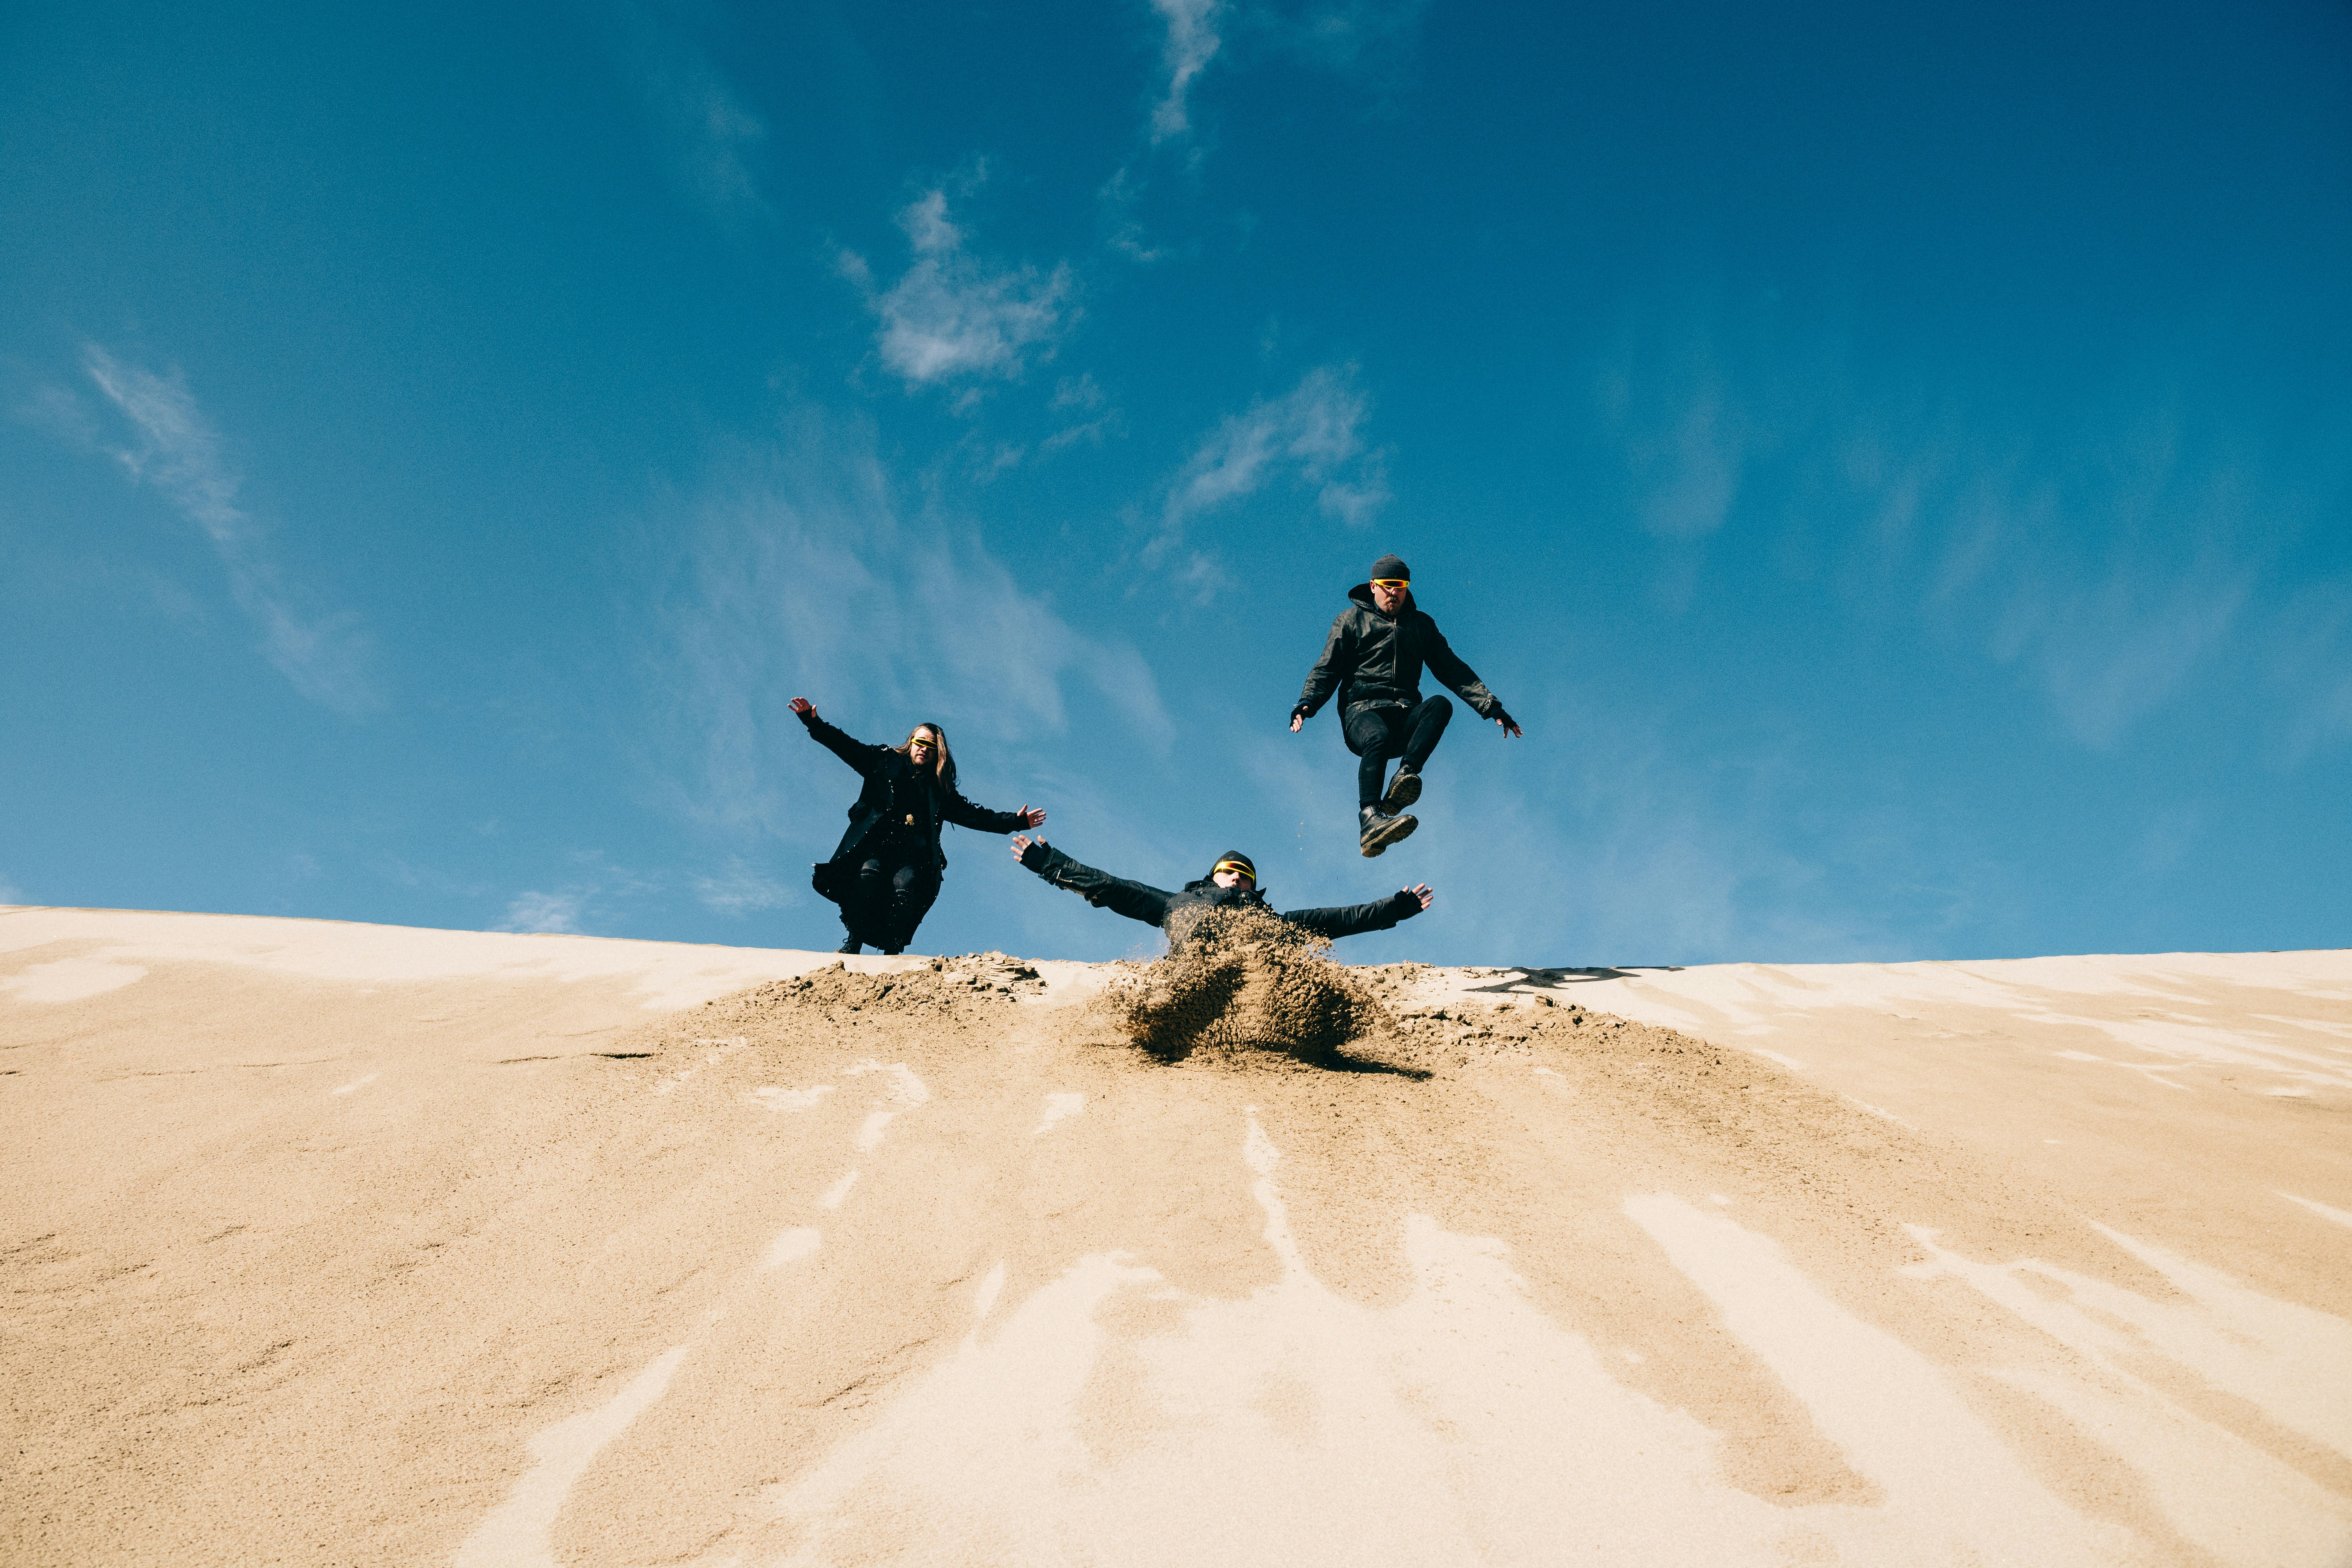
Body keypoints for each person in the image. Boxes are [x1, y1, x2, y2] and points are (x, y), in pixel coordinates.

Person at [1290, 552, 1521, 856]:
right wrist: (1308, 702)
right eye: (1388, 586)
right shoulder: (1351, 621)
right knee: (1378, 736)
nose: (1394, 594)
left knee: (1440, 705)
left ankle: (1404, 778)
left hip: (1404, 714)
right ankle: (1370, 818)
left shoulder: (1421, 625)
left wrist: (1490, 706)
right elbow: (1328, 667)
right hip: (1363, 712)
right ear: (1373, 586)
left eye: (1401, 587)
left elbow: (1452, 668)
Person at [791, 697, 1045, 955]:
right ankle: (853, 941)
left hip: (912, 855)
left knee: (905, 889)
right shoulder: (884, 762)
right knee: (869, 874)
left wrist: (1016, 821)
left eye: (930, 746)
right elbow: (846, 747)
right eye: (920, 742)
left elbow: (975, 816)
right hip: (875, 846)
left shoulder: (940, 789)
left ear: (937, 752)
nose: (923, 749)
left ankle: (892, 951)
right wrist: (813, 722)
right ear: (911, 742)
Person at [1006, 836, 1433, 942]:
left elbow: (1341, 920)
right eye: (1228, 870)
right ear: (1212, 876)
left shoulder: (1273, 922)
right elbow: (1109, 887)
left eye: (1245, 873)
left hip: (1250, 955)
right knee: (1120, 889)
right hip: (1194, 957)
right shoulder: (1176, 902)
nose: (1236, 876)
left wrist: (1398, 907)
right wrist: (1049, 863)